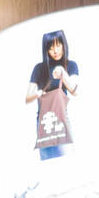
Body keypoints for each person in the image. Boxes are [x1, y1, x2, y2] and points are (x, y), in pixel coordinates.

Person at [26, 30, 79, 160]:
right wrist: (38, 93)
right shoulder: (39, 68)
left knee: (67, 158)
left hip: (61, 119)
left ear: (63, 45)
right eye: (50, 48)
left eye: (58, 46)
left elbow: (74, 90)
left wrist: (62, 73)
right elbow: (28, 97)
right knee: (47, 161)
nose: (55, 51)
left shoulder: (70, 65)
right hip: (43, 122)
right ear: (46, 50)